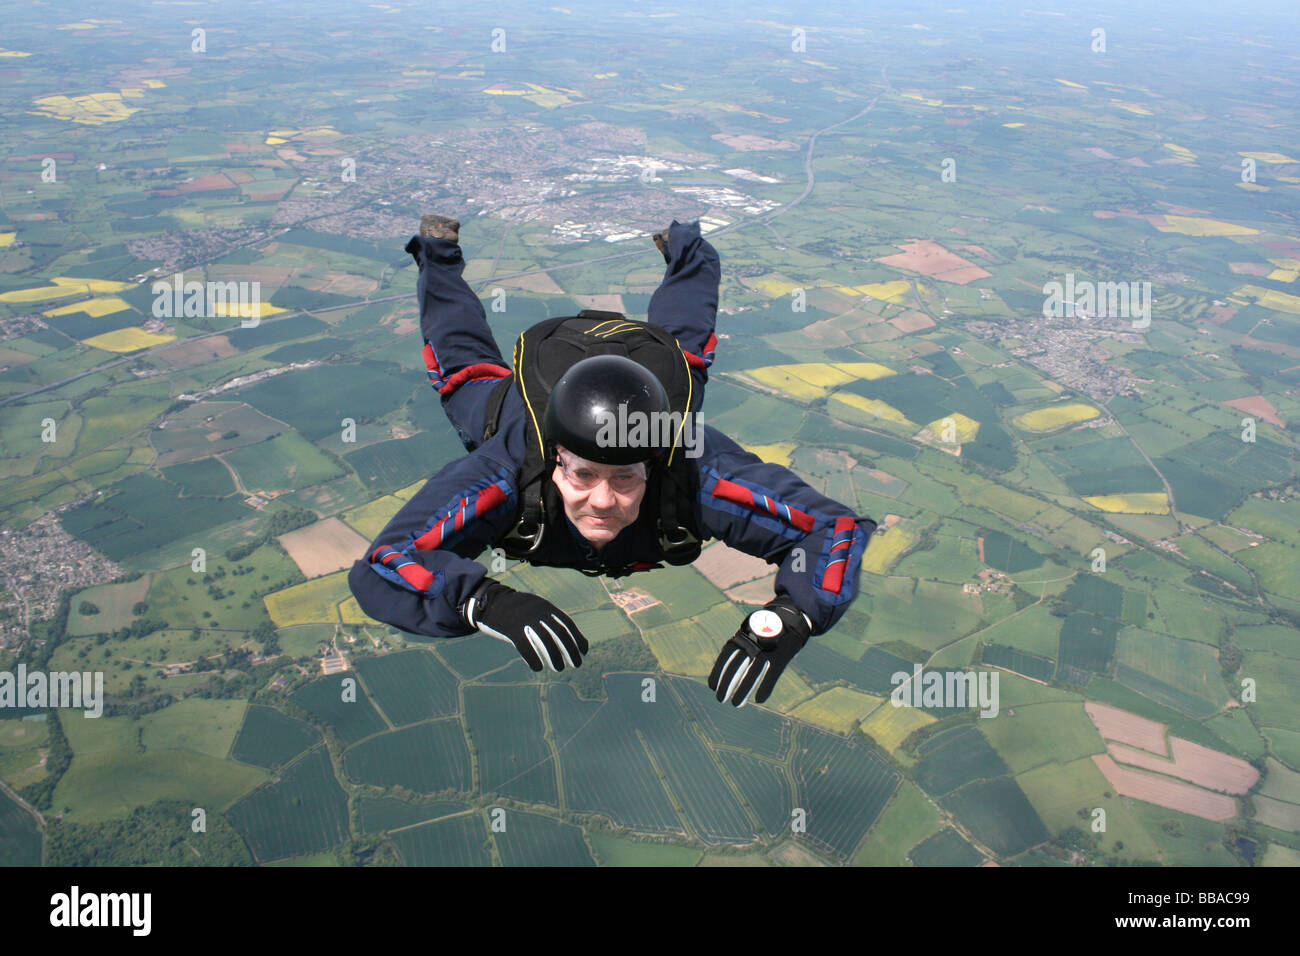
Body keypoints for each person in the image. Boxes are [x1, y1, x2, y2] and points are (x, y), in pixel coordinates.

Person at [348, 216, 877, 707]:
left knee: (681, 361)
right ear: (555, 459)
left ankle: (688, 246)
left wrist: (795, 614)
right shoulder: (507, 468)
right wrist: (485, 603)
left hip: (644, 405)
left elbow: (835, 528)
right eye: (583, 475)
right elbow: (383, 565)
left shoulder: (689, 462)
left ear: (652, 464)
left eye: (625, 477)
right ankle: (437, 254)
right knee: (464, 370)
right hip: (526, 412)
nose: (602, 501)